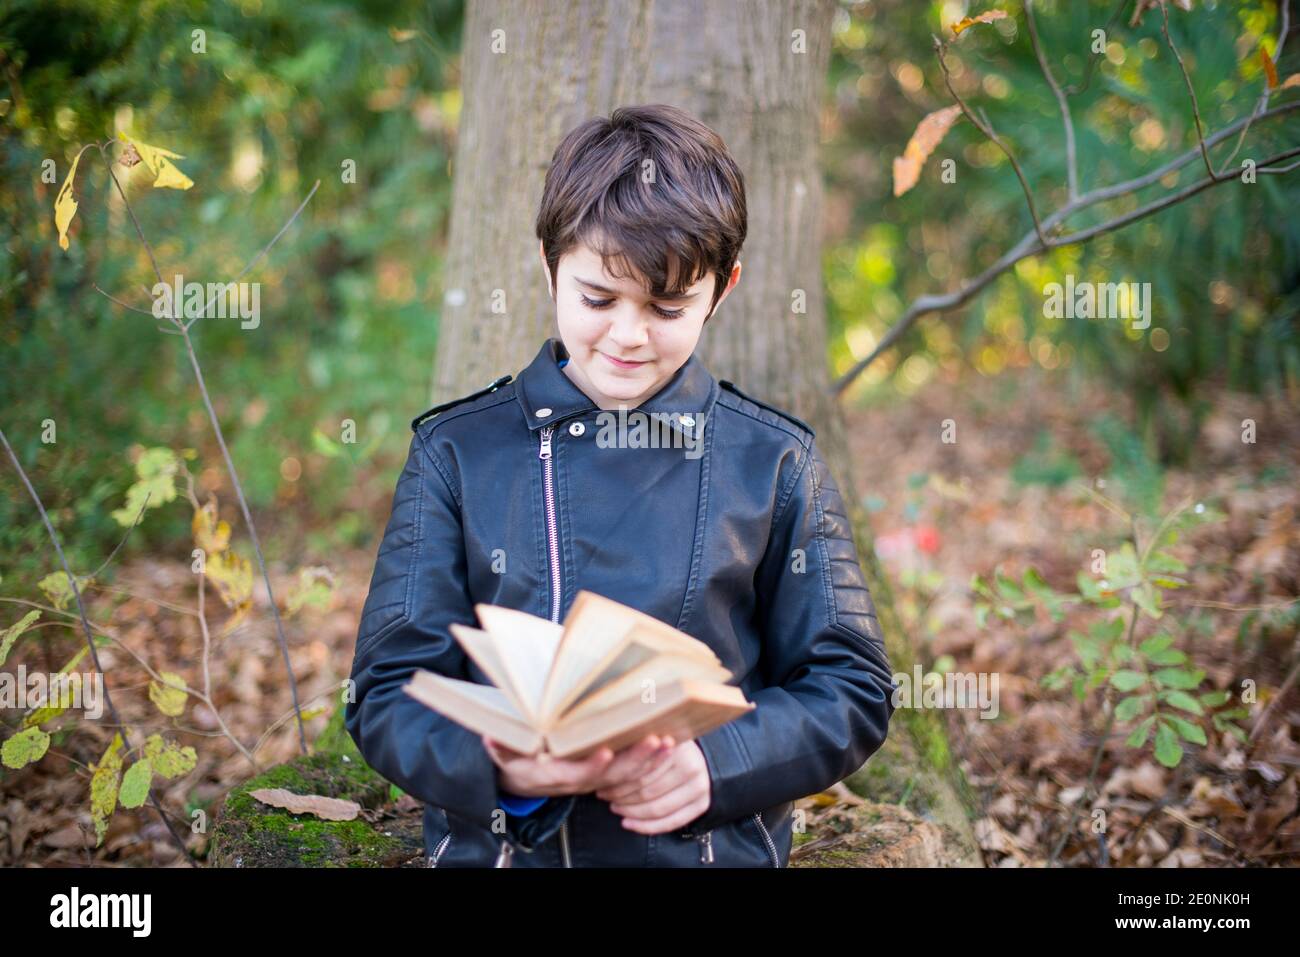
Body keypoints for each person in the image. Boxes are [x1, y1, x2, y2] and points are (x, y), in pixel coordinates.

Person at [345, 103, 895, 867]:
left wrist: (719, 763)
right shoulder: (457, 452)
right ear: (548, 265)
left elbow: (852, 684)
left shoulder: (773, 460)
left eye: (668, 307)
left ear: (722, 289)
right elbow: (386, 689)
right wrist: (500, 765)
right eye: (598, 298)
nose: (629, 335)